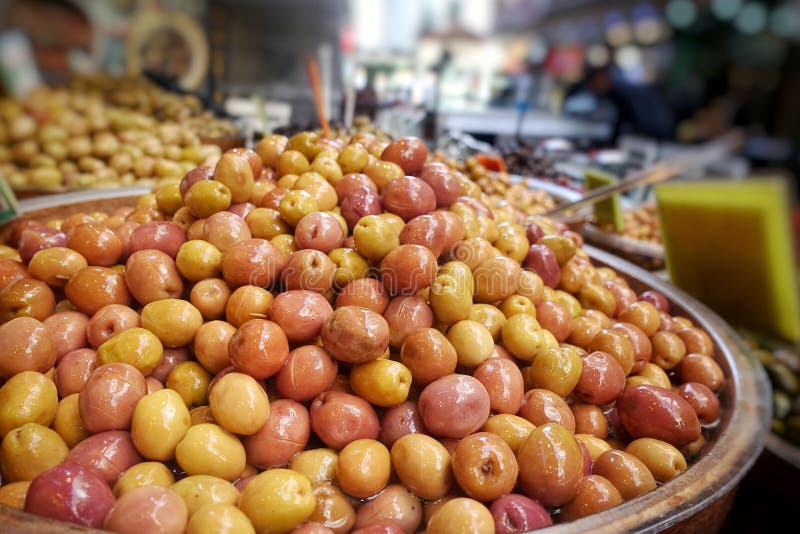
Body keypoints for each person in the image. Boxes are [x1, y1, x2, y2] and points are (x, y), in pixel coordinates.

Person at [565, 59, 676, 142]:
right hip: (655, 131)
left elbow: (631, 119)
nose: (594, 88)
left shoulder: (622, 92)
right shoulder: (618, 90)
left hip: (656, 132)